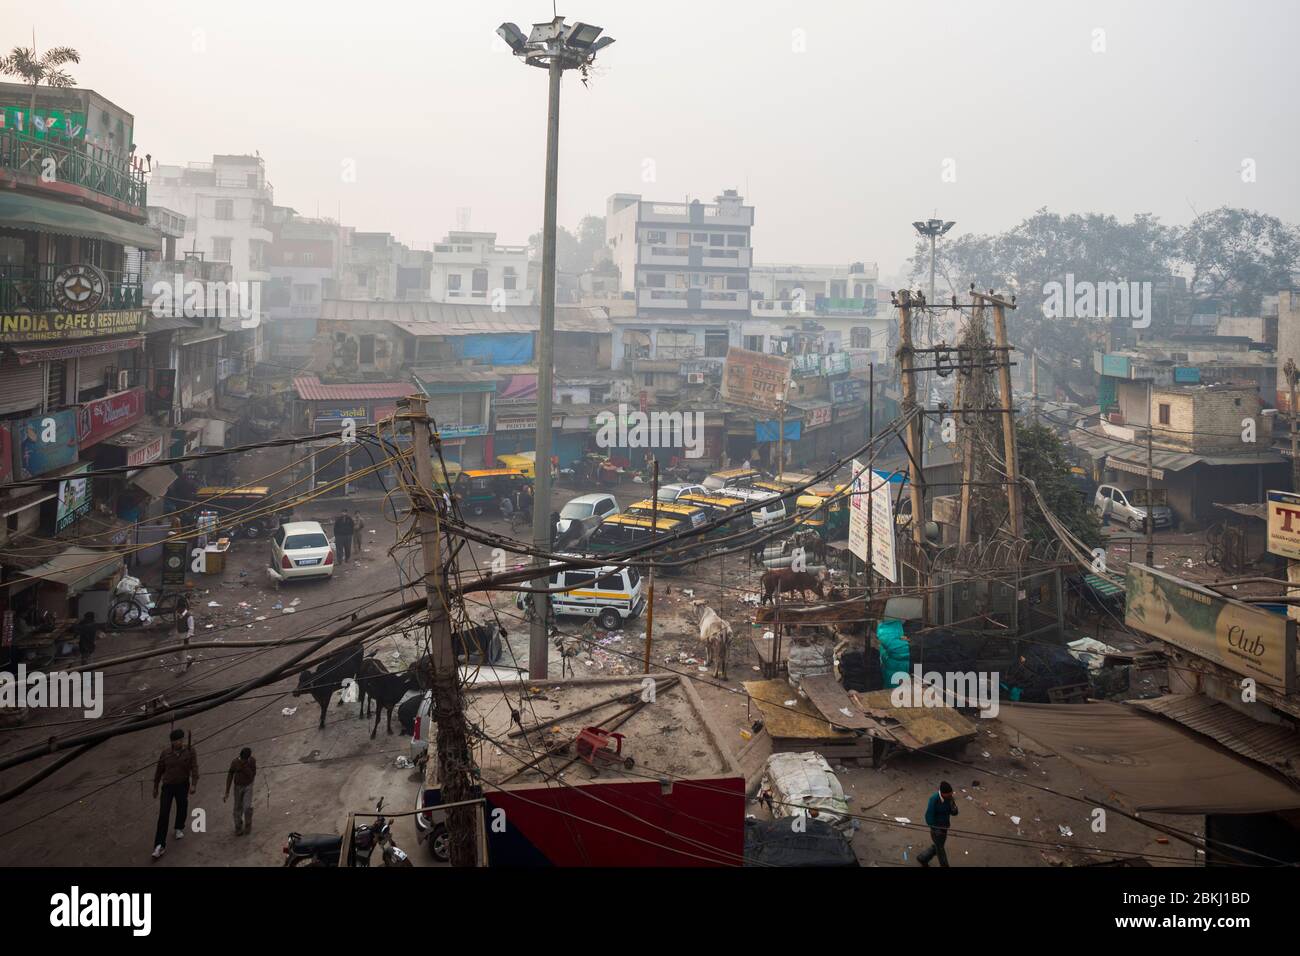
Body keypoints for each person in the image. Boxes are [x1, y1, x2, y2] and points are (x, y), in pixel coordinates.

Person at [152, 728, 199, 860]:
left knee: (182, 806)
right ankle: (159, 845)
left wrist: (194, 784)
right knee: (163, 814)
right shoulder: (165, 753)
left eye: (180, 740)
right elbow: (159, 770)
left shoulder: (190, 751)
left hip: (182, 784)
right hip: (167, 786)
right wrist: (155, 787)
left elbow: (194, 768)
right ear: (172, 742)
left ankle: (179, 827)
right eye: (176, 741)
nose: (179, 743)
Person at [918, 780, 959, 867]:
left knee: (938, 845)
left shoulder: (949, 798)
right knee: (940, 850)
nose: (950, 796)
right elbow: (928, 816)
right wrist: (935, 829)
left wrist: (954, 808)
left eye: (951, 794)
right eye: (949, 794)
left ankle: (923, 858)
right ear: (943, 793)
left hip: (944, 827)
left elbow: (954, 813)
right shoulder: (934, 799)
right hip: (936, 830)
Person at [224, 747, 257, 835]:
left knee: (247, 807)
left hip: (248, 786)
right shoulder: (235, 762)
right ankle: (238, 826)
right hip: (238, 787)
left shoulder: (252, 761)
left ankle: (248, 824)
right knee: (237, 807)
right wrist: (227, 791)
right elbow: (230, 775)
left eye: (245, 760)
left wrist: (244, 767)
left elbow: (252, 775)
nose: (243, 761)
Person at [175, 597, 196, 672]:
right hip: (179, 634)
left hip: (185, 636)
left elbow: (191, 629)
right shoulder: (178, 614)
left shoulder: (189, 616)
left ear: (183, 608)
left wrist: (187, 639)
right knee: (177, 654)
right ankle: (189, 659)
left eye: (179, 608)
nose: (177, 610)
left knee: (182, 654)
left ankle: (182, 670)